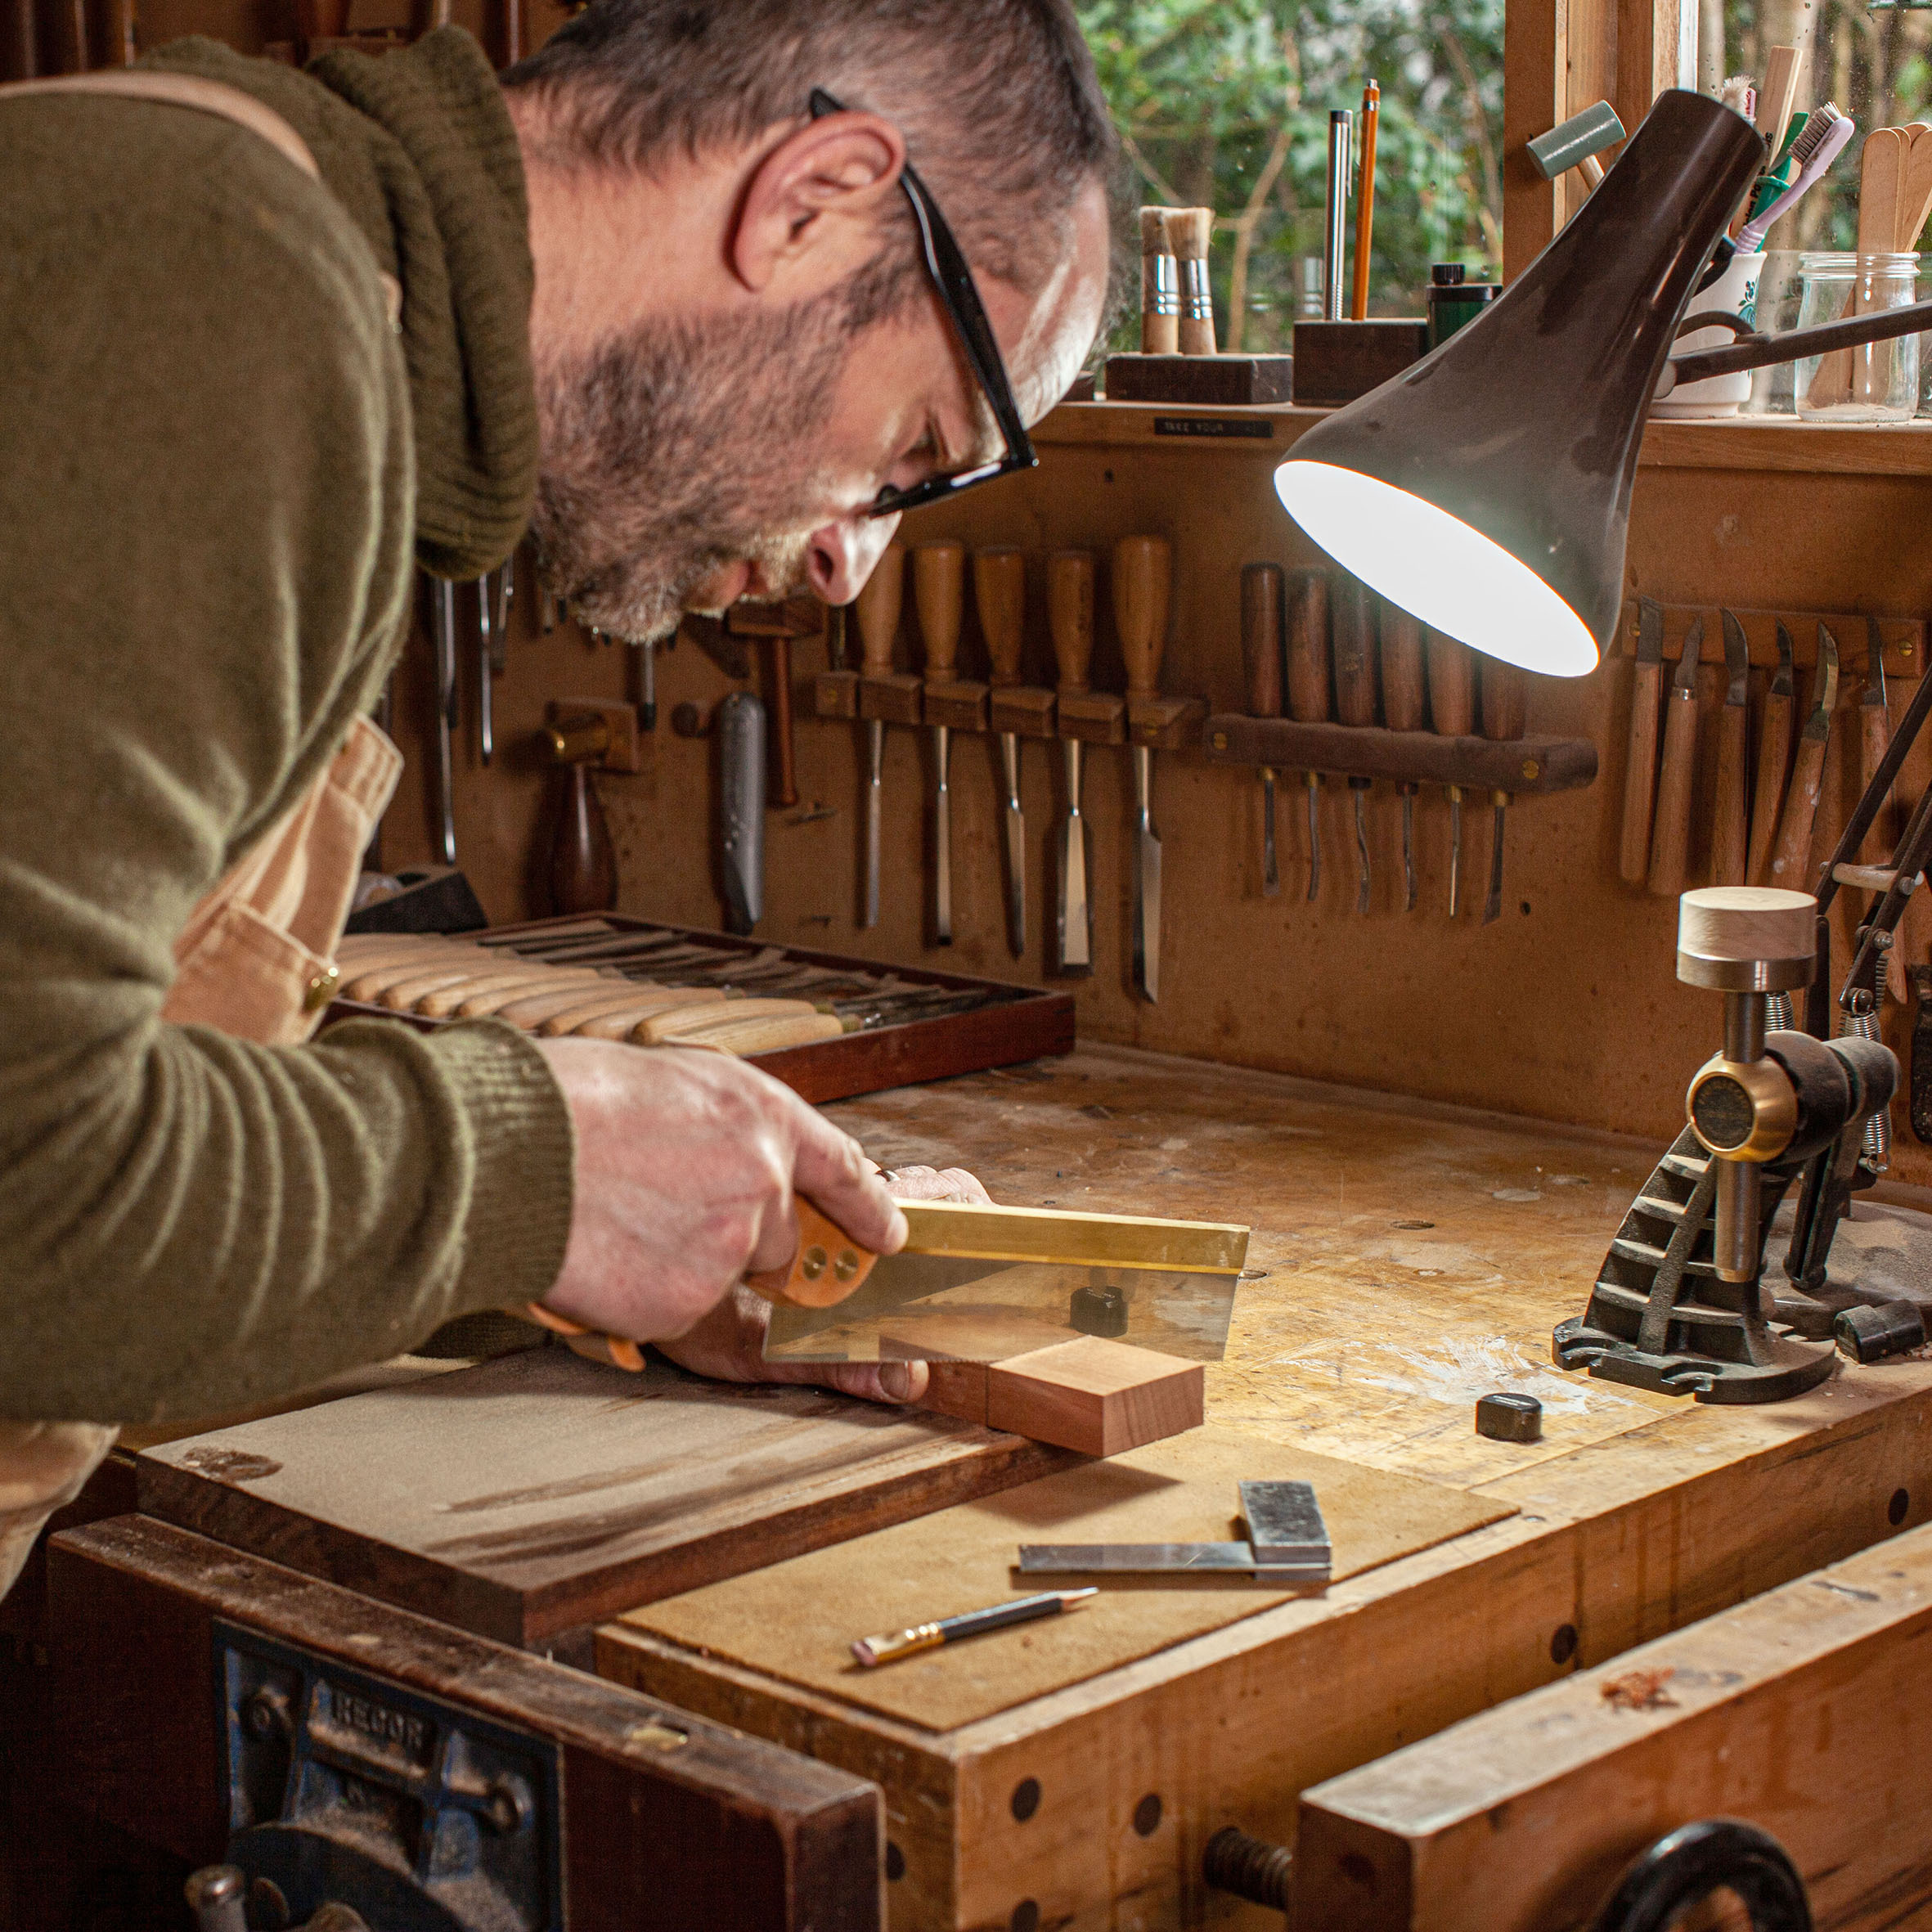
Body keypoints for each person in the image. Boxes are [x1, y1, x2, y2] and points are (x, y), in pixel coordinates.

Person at [0, 0, 1117, 1593]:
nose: (849, 560)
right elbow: (26, 1181)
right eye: (910, 454)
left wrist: (614, 1261)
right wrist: (543, 1173)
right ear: (812, 205)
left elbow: (141, 1072)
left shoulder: (310, 303)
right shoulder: (211, 287)